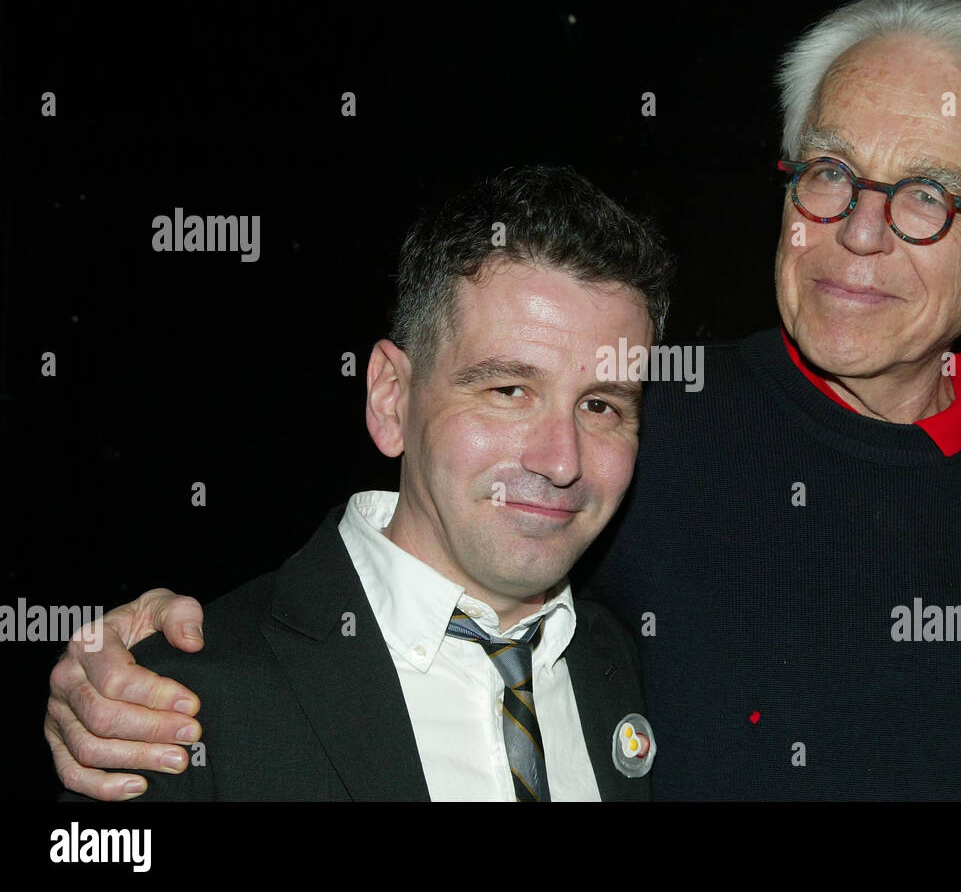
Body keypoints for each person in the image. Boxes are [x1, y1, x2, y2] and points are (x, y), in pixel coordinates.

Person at [46, 0, 961, 800]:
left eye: (927, 196)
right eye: (831, 172)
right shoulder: (635, 421)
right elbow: (386, 573)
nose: (857, 233)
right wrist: (138, 655)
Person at [55, 164, 674, 801]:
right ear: (390, 399)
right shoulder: (175, 706)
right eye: (509, 390)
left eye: (601, 406)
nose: (561, 460)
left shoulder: (631, 661)